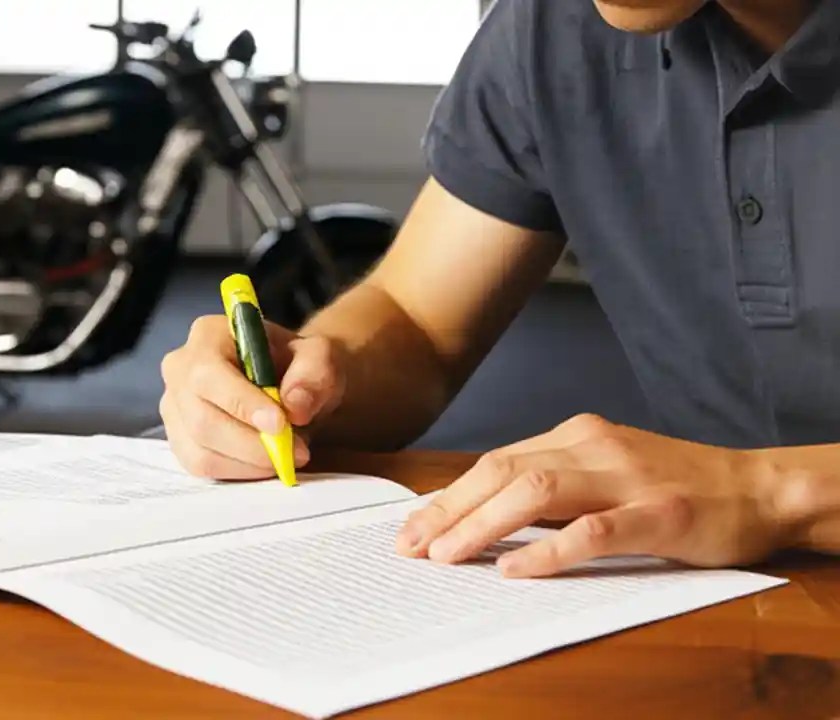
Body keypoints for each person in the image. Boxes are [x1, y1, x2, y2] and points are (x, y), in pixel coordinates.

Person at [158, 0, 840, 578]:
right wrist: (306, 382)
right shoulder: (553, 26)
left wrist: (770, 494)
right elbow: (416, 320)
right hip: (704, 589)